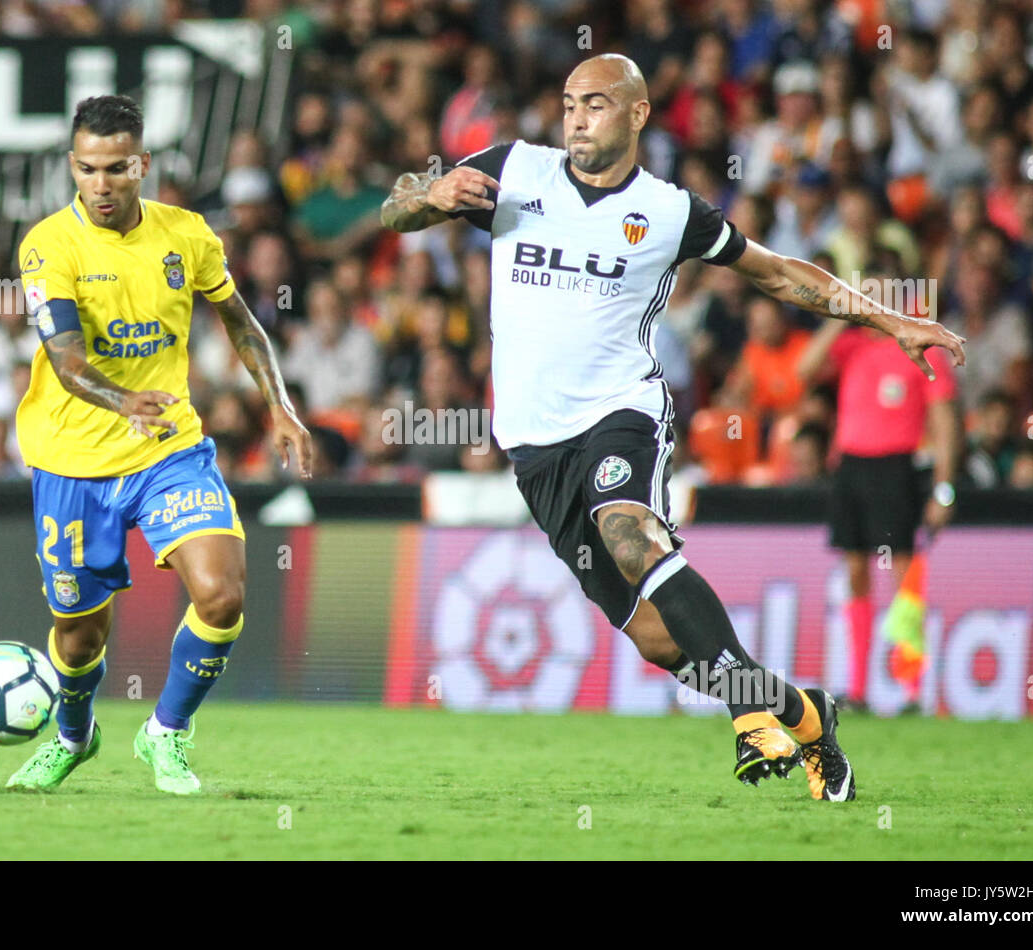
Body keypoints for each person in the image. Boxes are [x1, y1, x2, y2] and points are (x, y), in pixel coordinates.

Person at [381, 54, 965, 801]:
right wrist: (428, 193)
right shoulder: (514, 171)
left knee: (628, 530)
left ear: (637, 113)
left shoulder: (669, 212)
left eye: (594, 103)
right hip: (533, 443)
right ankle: (805, 713)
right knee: (661, 641)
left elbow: (780, 273)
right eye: (567, 104)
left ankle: (751, 717)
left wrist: (892, 322)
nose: (576, 118)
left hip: (619, 411)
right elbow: (393, 213)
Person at [6, 96, 312, 795]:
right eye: (87, 169)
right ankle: (73, 736)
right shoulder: (48, 246)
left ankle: (165, 732)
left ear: (142, 164)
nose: (101, 184)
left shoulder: (187, 234)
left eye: (116, 168)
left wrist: (281, 407)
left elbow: (240, 321)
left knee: (222, 595)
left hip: (168, 451)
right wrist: (122, 401)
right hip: (72, 463)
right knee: (80, 638)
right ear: (73, 168)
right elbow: (66, 360)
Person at [797, 283, 962, 713]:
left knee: (904, 577)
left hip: (896, 469)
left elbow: (945, 423)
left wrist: (944, 489)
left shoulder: (920, 348)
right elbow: (803, 370)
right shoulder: (851, 345)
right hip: (850, 467)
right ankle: (858, 688)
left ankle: (911, 690)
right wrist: (838, 318)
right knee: (854, 573)